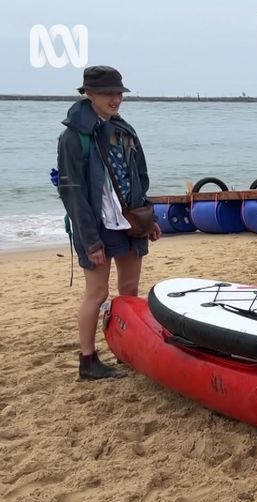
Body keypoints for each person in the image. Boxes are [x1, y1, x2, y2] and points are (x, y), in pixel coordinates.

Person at [57, 66, 159, 379]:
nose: (115, 99)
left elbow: (138, 177)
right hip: (96, 225)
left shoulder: (124, 130)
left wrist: (148, 217)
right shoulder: (73, 138)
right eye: (107, 94)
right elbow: (72, 193)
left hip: (130, 222)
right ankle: (87, 360)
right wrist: (90, 240)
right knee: (97, 293)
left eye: (118, 93)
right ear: (89, 94)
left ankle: (127, 348)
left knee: (129, 290)